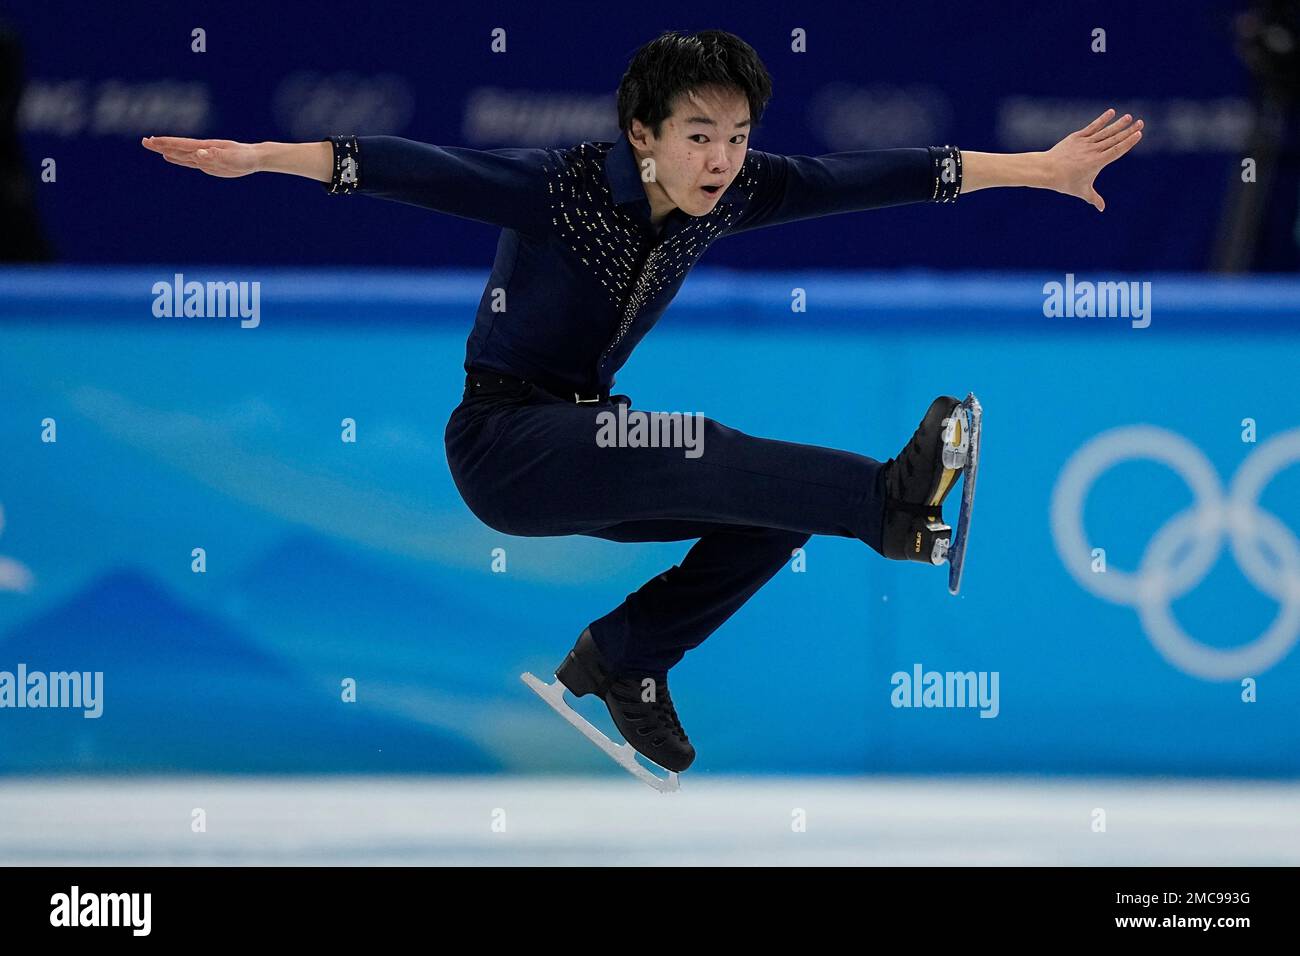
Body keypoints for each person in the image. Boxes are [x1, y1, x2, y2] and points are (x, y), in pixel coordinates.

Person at [142, 30, 1142, 776]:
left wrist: (1043, 171)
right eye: (699, 135)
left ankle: (628, 657)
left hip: (589, 433)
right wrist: (264, 156)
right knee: (697, 441)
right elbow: (419, 170)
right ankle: (887, 504)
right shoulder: (561, 188)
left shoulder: (739, 190)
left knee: (766, 507)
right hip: (504, 441)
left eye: (738, 136)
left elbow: (875, 175)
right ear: (643, 133)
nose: (721, 158)